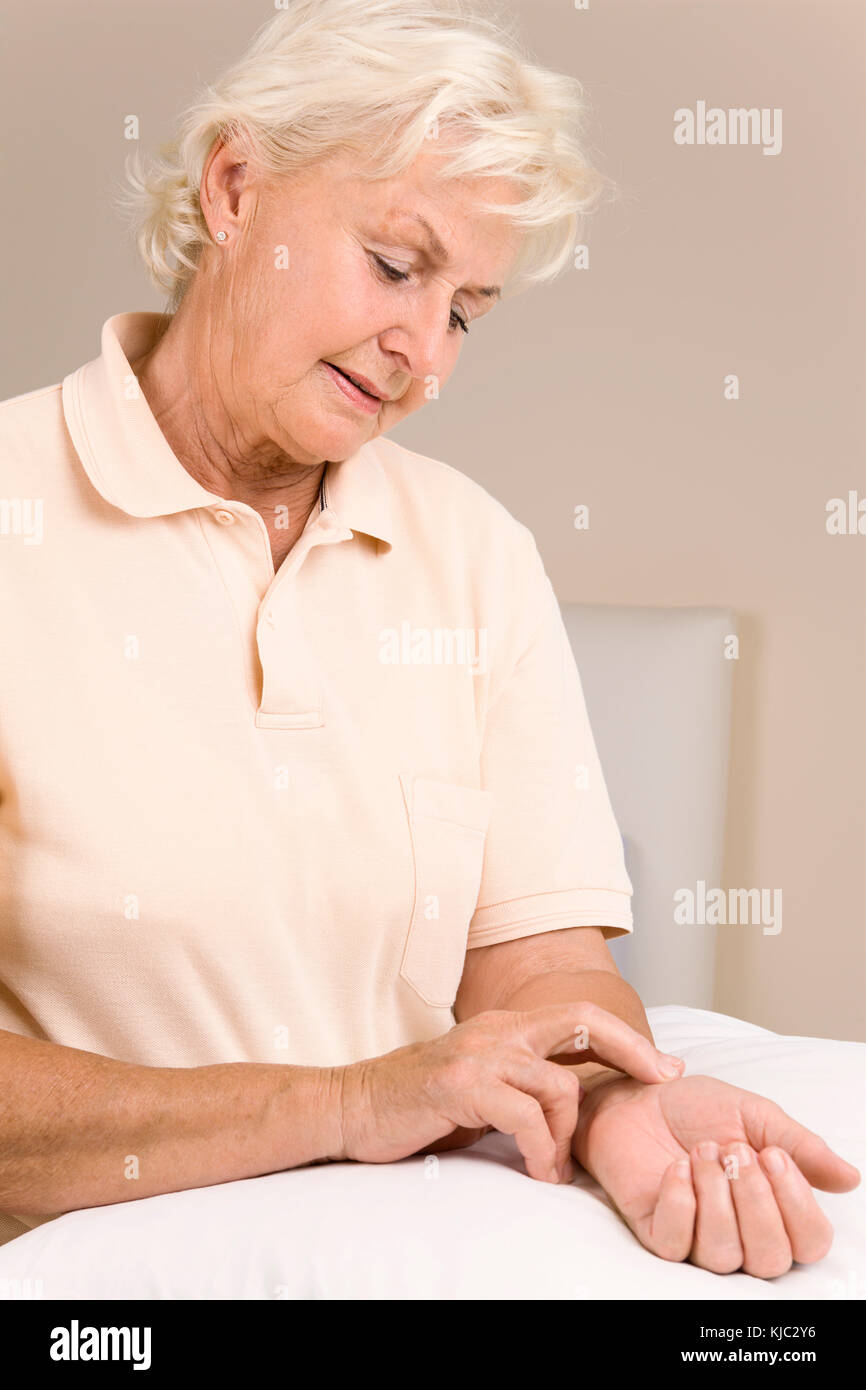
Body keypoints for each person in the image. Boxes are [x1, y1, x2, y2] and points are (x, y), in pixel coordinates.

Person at [0, 0, 857, 1279]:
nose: (424, 357)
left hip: (401, 1263)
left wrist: (616, 1105)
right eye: (398, 266)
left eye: (466, 310)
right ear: (233, 185)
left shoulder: (474, 554)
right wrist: (350, 1103)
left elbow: (542, 973)